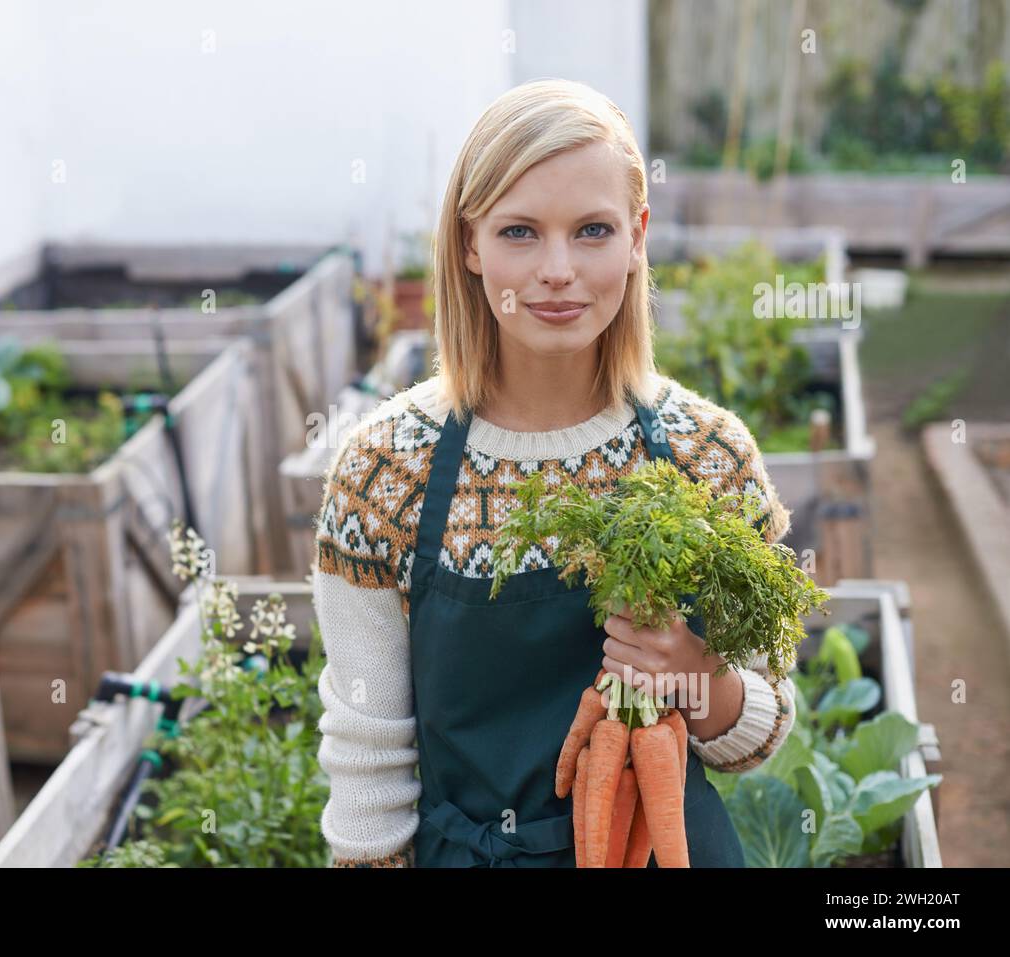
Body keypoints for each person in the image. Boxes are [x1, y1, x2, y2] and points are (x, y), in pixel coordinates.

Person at [312, 78, 795, 868]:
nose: (559, 269)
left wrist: (701, 675)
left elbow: (764, 733)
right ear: (470, 245)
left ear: (638, 236)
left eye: (593, 229)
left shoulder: (709, 454)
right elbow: (367, 749)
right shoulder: (383, 468)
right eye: (521, 232)